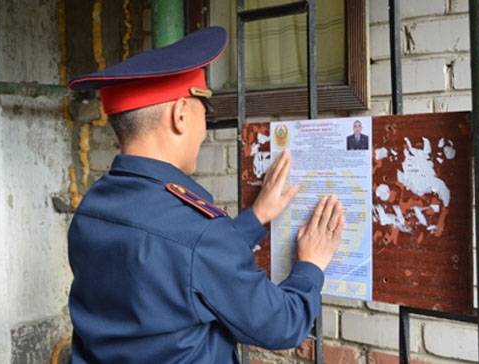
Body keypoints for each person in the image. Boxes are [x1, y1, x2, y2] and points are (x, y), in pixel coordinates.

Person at [67, 26, 344, 364]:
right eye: (204, 110)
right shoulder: (198, 233)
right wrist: (311, 265)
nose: (204, 127)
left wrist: (255, 218)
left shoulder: (93, 206)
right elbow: (282, 325)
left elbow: (175, 263)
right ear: (180, 115)